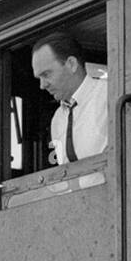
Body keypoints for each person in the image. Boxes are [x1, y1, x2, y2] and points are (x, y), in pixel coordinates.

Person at [31, 31, 108, 165]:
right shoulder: (57, 119)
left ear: (71, 64)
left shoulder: (108, 94)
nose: (42, 86)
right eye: (39, 78)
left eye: (46, 74)